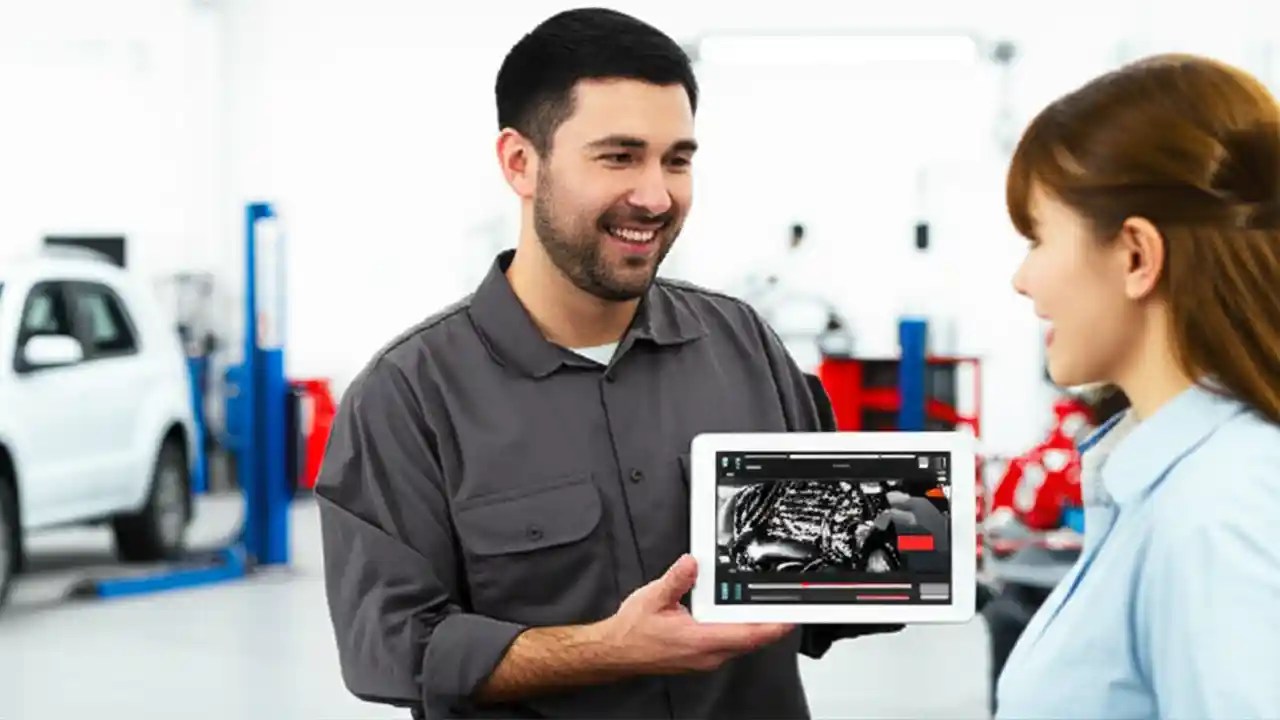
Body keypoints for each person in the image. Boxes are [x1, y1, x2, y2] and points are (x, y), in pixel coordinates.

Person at [314, 9, 899, 720]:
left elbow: (819, 590)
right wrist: (606, 649)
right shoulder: (409, 397)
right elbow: (393, 648)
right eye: (619, 157)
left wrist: (917, 547)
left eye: (676, 160)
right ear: (520, 163)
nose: (656, 196)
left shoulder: (745, 345)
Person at [995, 53, 1280, 719]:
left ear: (1136, 256)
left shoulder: (1216, 511)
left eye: (1037, 238)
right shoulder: (1168, 485)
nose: (1022, 280)